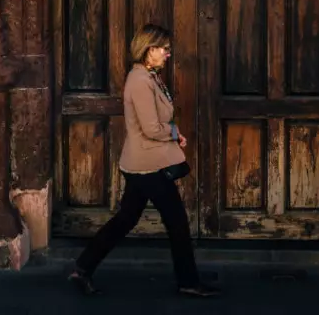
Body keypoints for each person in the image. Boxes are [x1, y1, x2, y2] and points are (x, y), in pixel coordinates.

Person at [69, 23, 219, 297]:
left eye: (167, 49)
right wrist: (174, 132)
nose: (167, 54)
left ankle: (82, 269)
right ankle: (188, 281)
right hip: (148, 165)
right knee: (177, 222)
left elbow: (153, 123)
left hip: (141, 163)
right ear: (149, 49)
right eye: (163, 48)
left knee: (126, 219)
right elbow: (151, 129)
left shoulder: (148, 77)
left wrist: (173, 133)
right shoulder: (139, 81)